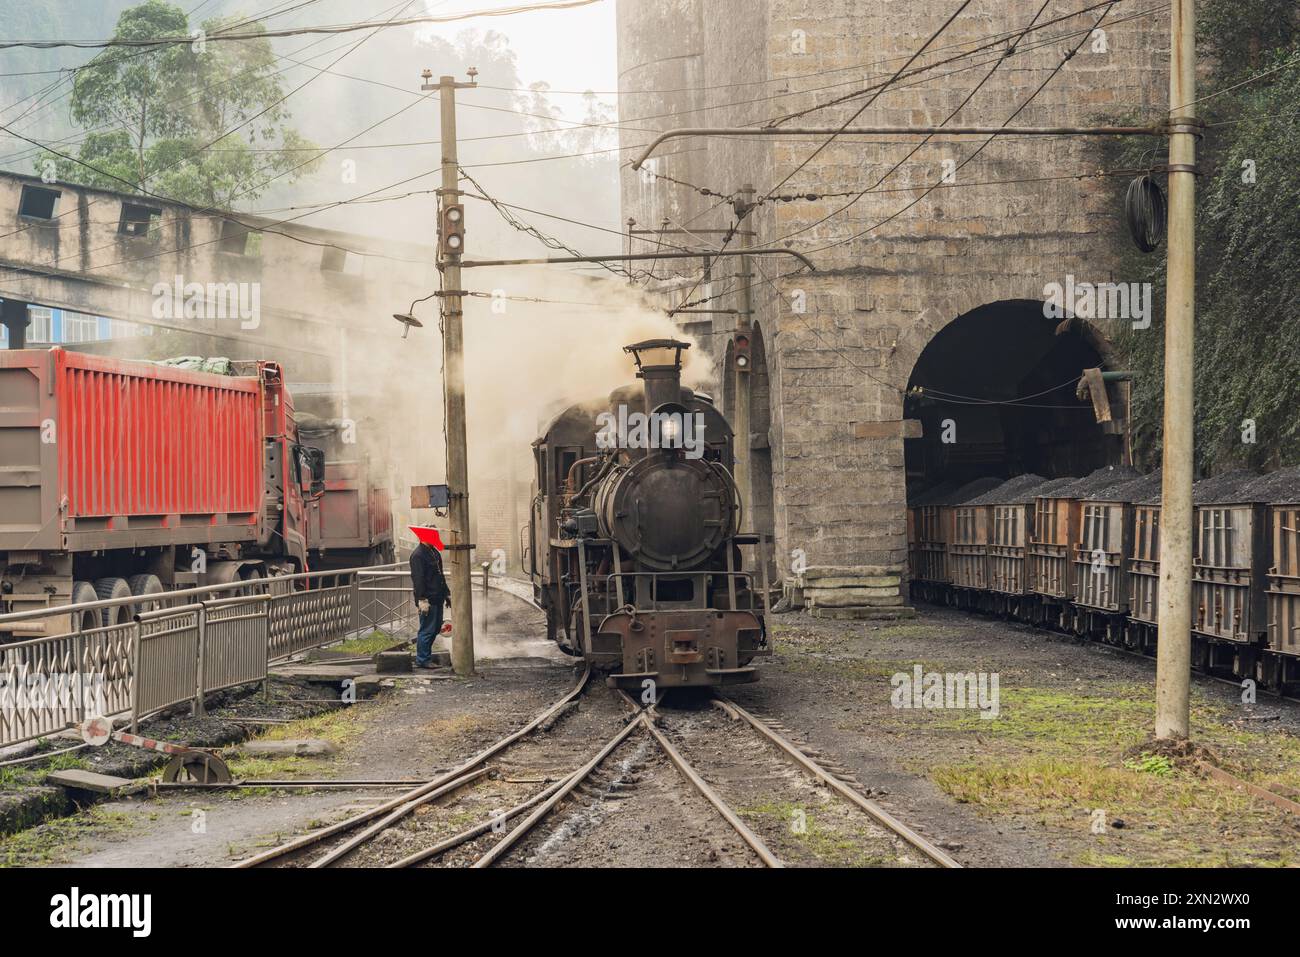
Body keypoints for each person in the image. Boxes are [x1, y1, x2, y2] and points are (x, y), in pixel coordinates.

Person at [409, 525, 450, 669]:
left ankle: (425, 657)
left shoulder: (434, 552)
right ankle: (422, 659)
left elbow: (440, 575)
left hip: (438, 596)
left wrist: (447, 594)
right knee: (427, 629)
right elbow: (418, 579)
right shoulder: (418, 555)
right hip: (428, 599)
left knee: (435, 627)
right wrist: (421, 599)